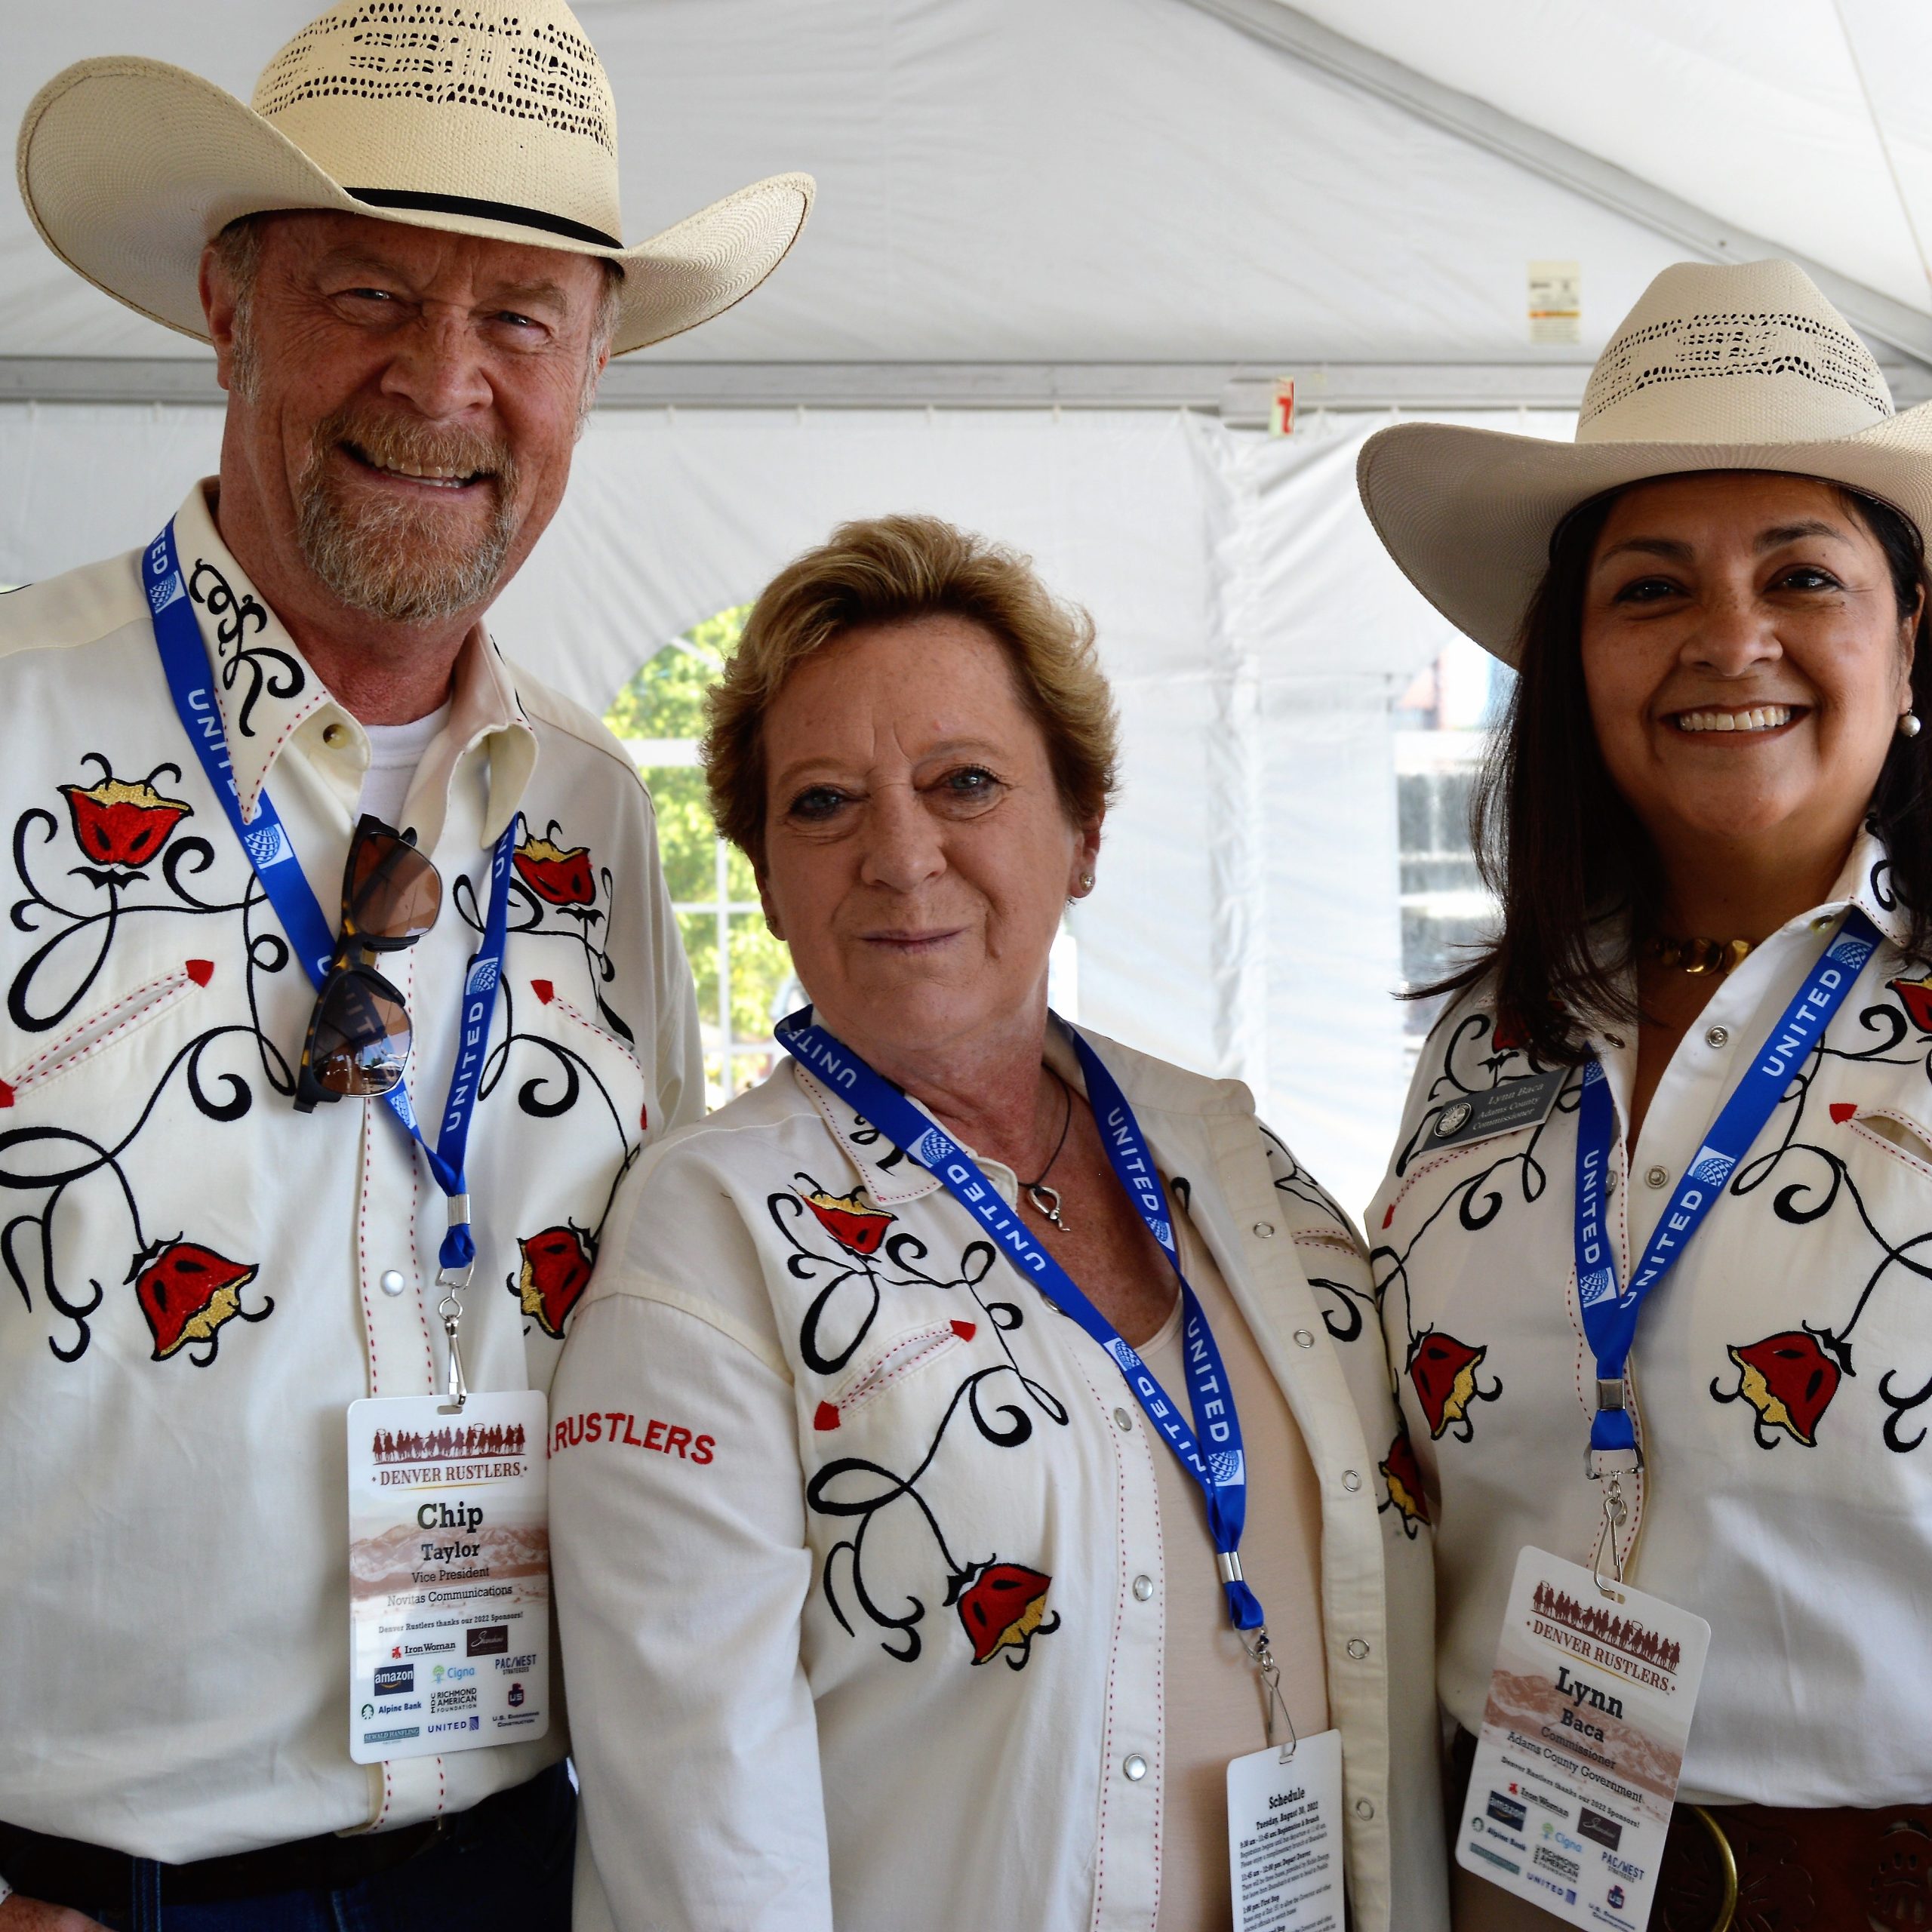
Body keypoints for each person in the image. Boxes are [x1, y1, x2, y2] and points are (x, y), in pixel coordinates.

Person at [0, 5, 811, 1927]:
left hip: (527, 1861)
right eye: (368, 288)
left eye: (519, 317)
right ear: (228, 306)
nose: (442, 381)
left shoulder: (598, 815)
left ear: (594, 361)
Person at [549, 513, 1449, 1932]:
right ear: (768, 876)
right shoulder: (714, 1235)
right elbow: (705, 1838)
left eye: (964, 783)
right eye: (825, 804)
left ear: (1082, 833)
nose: (902, 857)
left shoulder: (1236, 1160)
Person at [1358, 257, 1932, 1928]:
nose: (1725, 638)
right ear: (1574, 655)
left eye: (1799, 573)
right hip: (1510, 1876)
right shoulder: (1492, 1036)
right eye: (1650, 586)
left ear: (1910, 639)